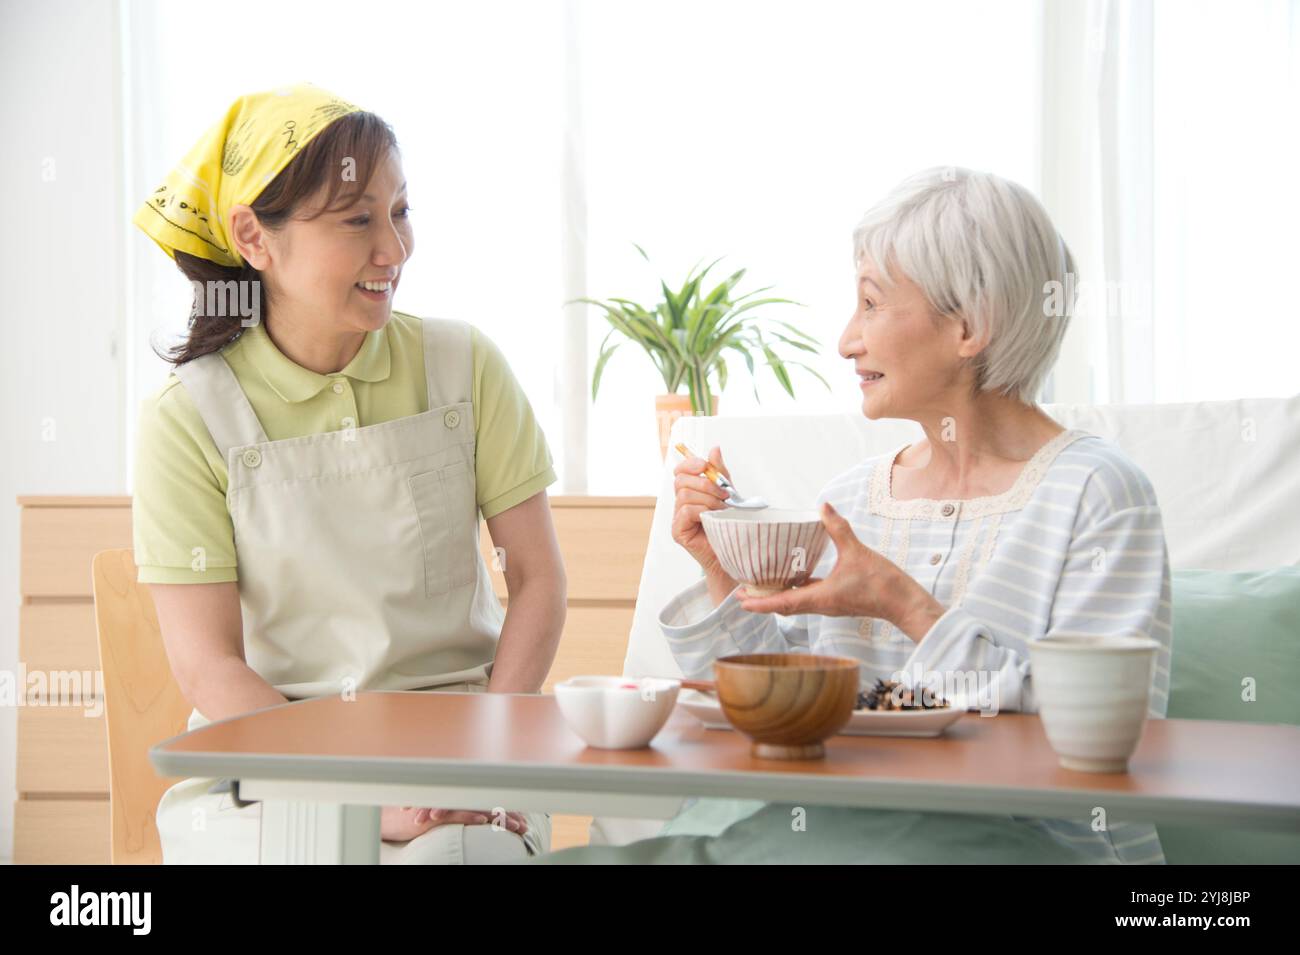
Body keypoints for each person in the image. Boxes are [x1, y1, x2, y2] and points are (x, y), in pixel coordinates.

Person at [526, 166, 1172, 864]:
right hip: (823, 833)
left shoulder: (1099, 495)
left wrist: (904, 604)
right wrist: (722, 570)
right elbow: (784, 719)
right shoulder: (857, 498)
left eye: (870, 303)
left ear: (970, 324)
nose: (845, 340)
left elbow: (1099, 745)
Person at [132, 83, 566, 863]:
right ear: (253, 238)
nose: (393, 250)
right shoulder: (187, 419)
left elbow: (536, 578)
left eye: (399, 211)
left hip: (462, 749)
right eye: (357, 219)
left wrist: (490, 755)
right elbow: (210, 664)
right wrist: (360, 799)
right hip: (271, 760)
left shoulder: (463, 364)